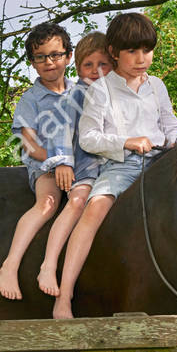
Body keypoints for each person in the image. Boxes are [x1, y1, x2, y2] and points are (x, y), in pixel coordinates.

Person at [52, 12, 177, 319]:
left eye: (146, 51)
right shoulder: (101, 89)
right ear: (114, 52)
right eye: (132, 51)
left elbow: (170, 125)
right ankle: (65, 295)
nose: (141, 59)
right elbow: (89, 138)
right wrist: (126, 141)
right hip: (123, 165)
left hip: (162, 161)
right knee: (93, 209)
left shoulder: (158, 86)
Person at [0, 22, 79, 300]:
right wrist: (57, 161)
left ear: (69, 56)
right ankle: (10, 265)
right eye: (40, 57)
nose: (49, 62)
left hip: (82, 165)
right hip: (45, 166)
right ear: (32, 63)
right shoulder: (30, 99)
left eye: (55, 54)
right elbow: (27, 143)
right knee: (48, 203)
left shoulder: (80, 93)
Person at [37, 32, 112, 296]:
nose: (96, 71)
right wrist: (63, 162)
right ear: (78, 67)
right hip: (85, 164)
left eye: (103, 65)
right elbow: (60, 130)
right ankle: (48, 263)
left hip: (110, 166)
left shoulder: (114, 93)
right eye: (88, 65)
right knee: (78, 201)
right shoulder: (77, 95)